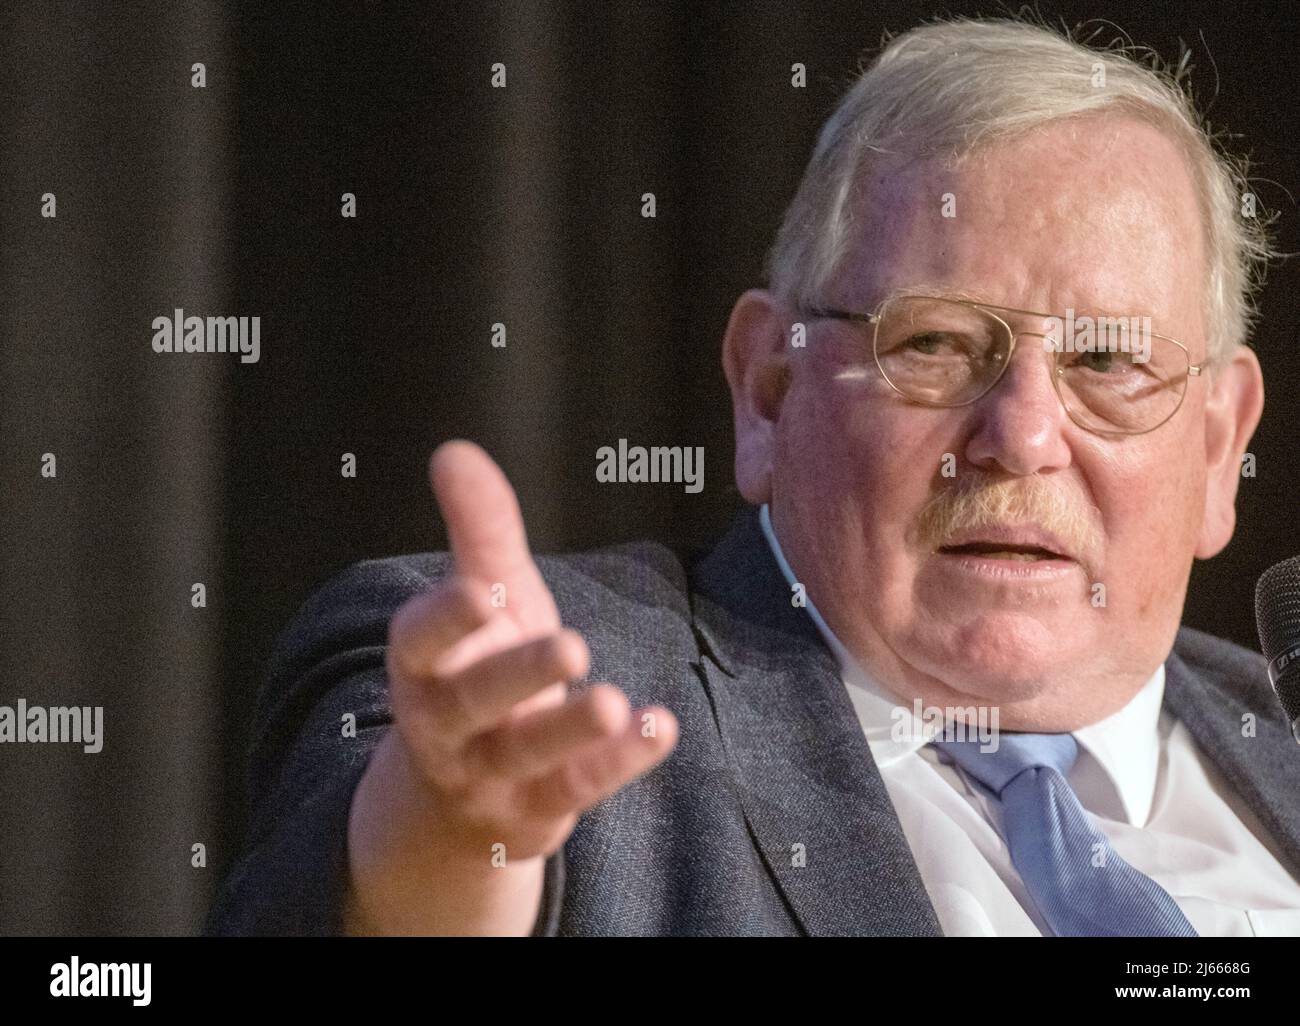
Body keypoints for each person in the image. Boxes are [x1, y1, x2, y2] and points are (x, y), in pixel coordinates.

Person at [207, 16, 1300, 937]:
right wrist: (451, 834)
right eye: (931, 345)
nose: (1019, 435)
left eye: (1107, 361)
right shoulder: (571, 699)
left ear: (1217, 444)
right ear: (767, 392)